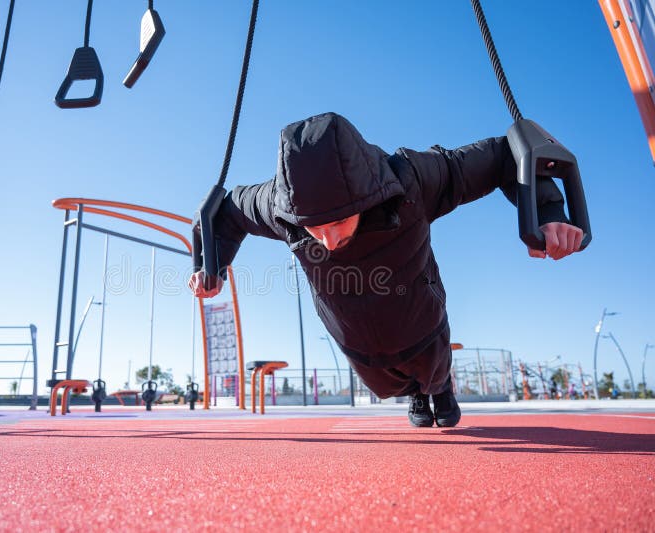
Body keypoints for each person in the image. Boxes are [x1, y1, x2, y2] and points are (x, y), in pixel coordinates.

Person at [189, 112, 584, 427]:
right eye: (315, 227)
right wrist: (212, 267)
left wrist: (548, 212)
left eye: (339, 221)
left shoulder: (410, 179)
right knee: (383, 380)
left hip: (415, 308)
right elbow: (227, 211)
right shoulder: (280, 207)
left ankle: (440, 389)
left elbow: (503, 155)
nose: (328, 239)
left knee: (431, 365)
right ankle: (415, 395)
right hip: (352, 329)